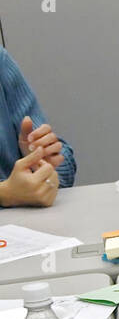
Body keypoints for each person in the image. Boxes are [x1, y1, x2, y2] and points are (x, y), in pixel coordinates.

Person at [0, 46, 74, 207]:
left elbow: (63, 164)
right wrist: (5, 193)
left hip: (25, 227)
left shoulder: (1, 62)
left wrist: (41, 162)